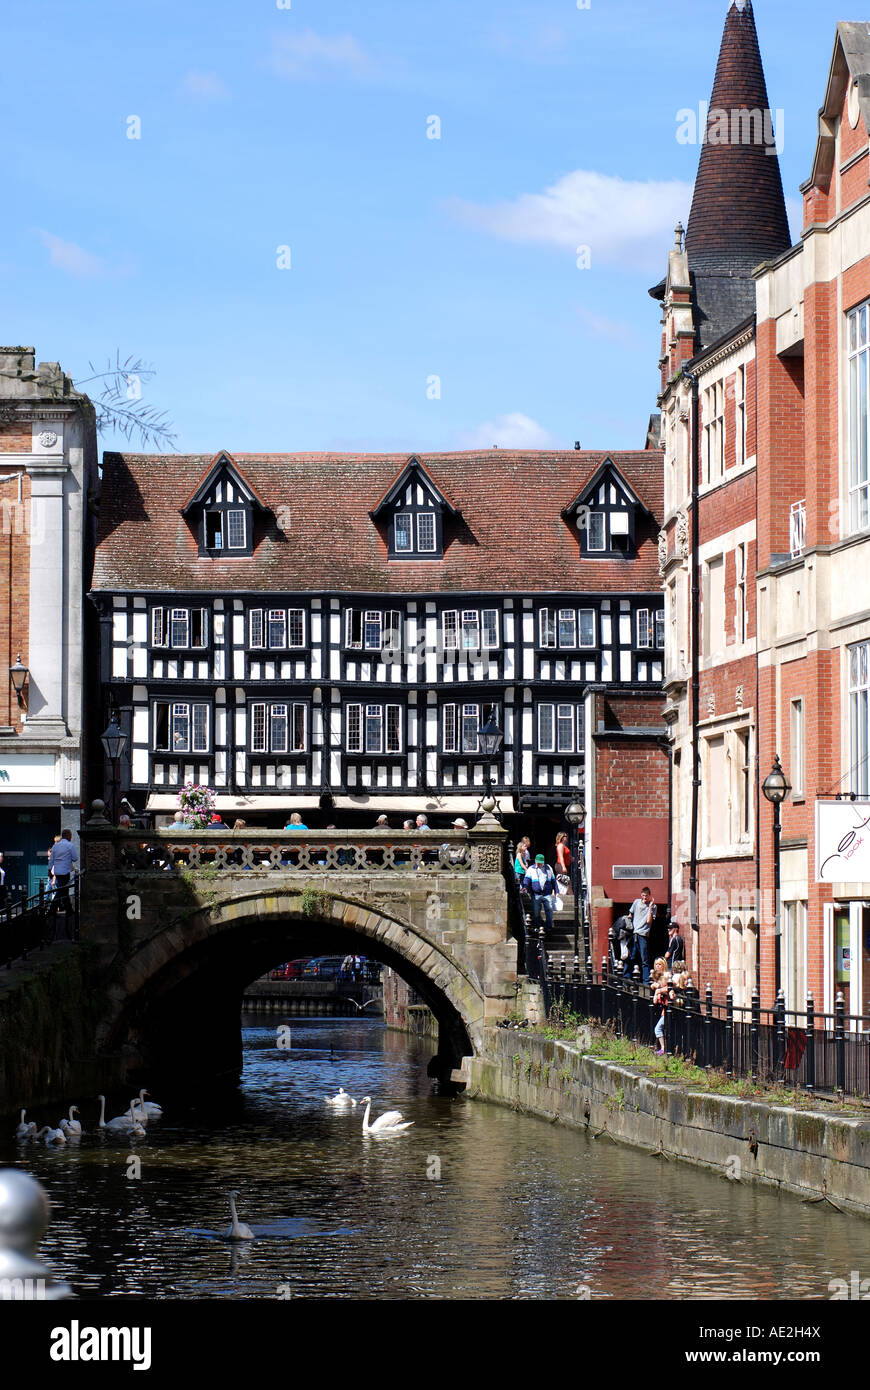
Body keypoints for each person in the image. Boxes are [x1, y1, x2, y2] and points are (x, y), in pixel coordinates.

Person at [522, 854, 558, 935]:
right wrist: (524, 887)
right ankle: (538, 927)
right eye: (538, 862)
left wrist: (556, 891)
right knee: (536, 912)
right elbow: (527, 879)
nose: (539, 864)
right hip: (536, 894)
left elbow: (553, 880)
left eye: (541, 863)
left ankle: (548, 928)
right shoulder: (531, 869)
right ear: (535, 861)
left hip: (547, 894)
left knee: (549, 910)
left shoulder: (549, 868)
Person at [627, 886, 656, 983]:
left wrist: (651, 907)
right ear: (641, 895)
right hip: (634, 933)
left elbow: (649, 921)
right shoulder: (636, 902)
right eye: (643, 895)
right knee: (631, 956)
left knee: (645, 960)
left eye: (646, 896)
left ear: (649, 896)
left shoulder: (653, 907)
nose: (644, 898)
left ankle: (646, 981)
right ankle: (627, 978)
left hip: (643, 935)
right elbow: (630, 914)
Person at [48, 829, 78, 917]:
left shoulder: (55, 846)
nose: (71, 837)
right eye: (71, 835)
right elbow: (75, 858)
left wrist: (50, 869)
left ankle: (69, 910)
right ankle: (52, 910)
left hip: (57, 872)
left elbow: (51, 860)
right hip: (65, 872)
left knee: (63, 891)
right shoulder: (70, 845)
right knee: (61, 891)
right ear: (68, 836)